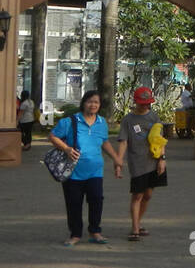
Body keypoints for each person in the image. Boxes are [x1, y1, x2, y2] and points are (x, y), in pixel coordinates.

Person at [50, 89, 122, 246]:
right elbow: (53, 136)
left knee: (97, 199)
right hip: (73, 171)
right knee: (74, 203)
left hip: (95, 171)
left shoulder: (101, 122)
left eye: (96, 102)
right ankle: (75, 234)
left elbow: (104, 142)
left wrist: (116, 159)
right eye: (90, 101)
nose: (93, 105)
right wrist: (67, 149)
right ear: (83, 103)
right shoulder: (71, 121)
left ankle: (95, 231)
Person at [116, 86, 167, 241]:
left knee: (148, 195)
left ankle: (138, 221)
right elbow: (123, 142)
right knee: (137, 195)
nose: (145, 106)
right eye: (142, 103)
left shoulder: (154, 117)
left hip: (153, 161)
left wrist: (162, 160)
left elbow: (160, 141)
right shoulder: (128, 120)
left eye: (147, 103)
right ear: (135, 102)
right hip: (137, 163)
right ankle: (135, 228)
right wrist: (119, 162)